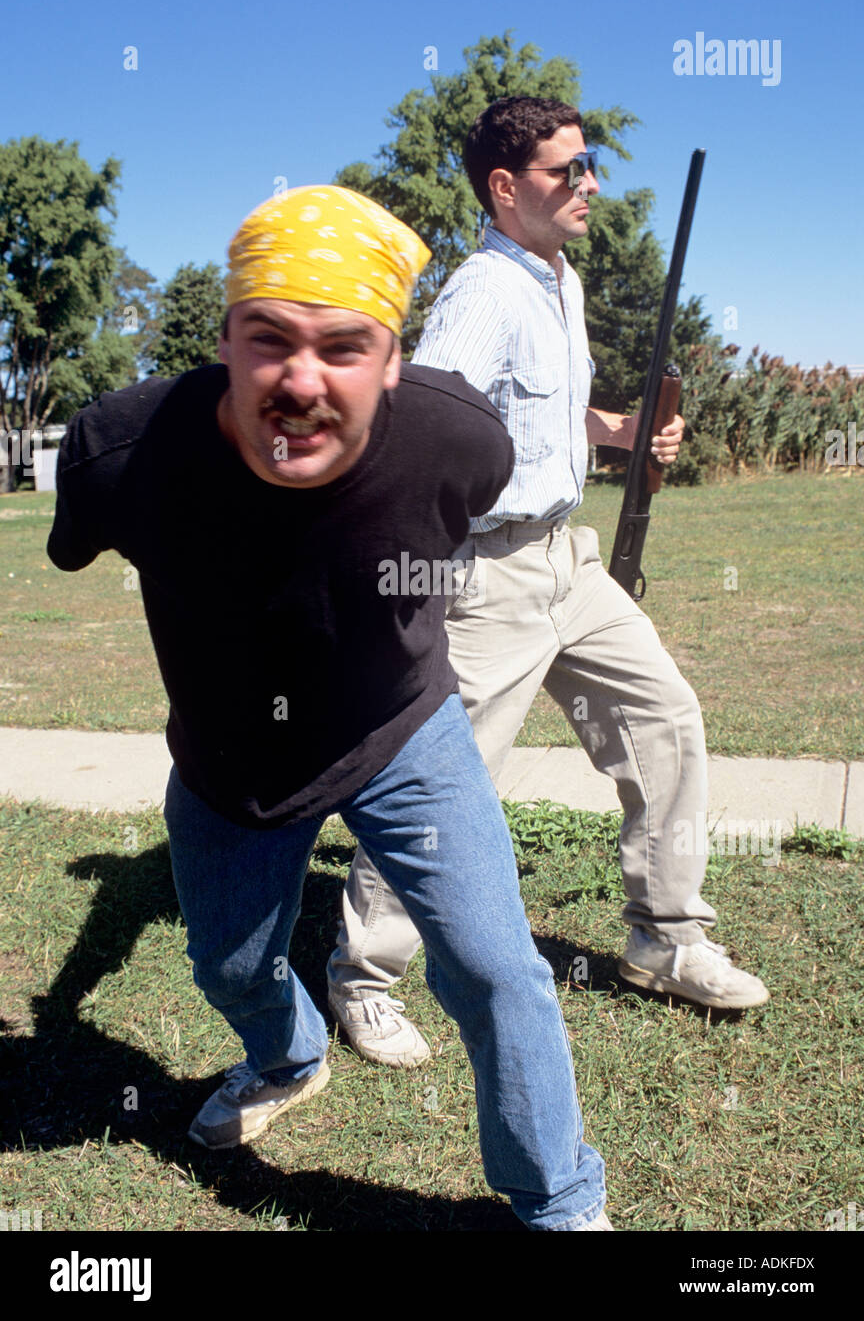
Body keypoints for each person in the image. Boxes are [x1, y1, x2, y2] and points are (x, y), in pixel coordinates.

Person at [46, 184, 611, 1231]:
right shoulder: (121, 453)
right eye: (269, 339)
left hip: (403, 731)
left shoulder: (456, 438)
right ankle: (287, 1055)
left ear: (393, 360)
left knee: (497, 969)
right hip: (231, 765)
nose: (301, 379)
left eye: (345, 346)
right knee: (227, 961)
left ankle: (562, 1202)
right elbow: (72, 540)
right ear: (225, 339)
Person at [326, 98, 770, 1069]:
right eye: (569, 170)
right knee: (441, 776)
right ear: (505, 186)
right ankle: (363, 977)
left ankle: (666, 934)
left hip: (569, 557)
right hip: (488, 573)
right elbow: (434, 422)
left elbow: (540, 415)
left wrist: (613, 432)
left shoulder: (555, 280)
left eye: (590, 165)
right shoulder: (484, 291)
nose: (590, 185)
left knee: (665, 716)